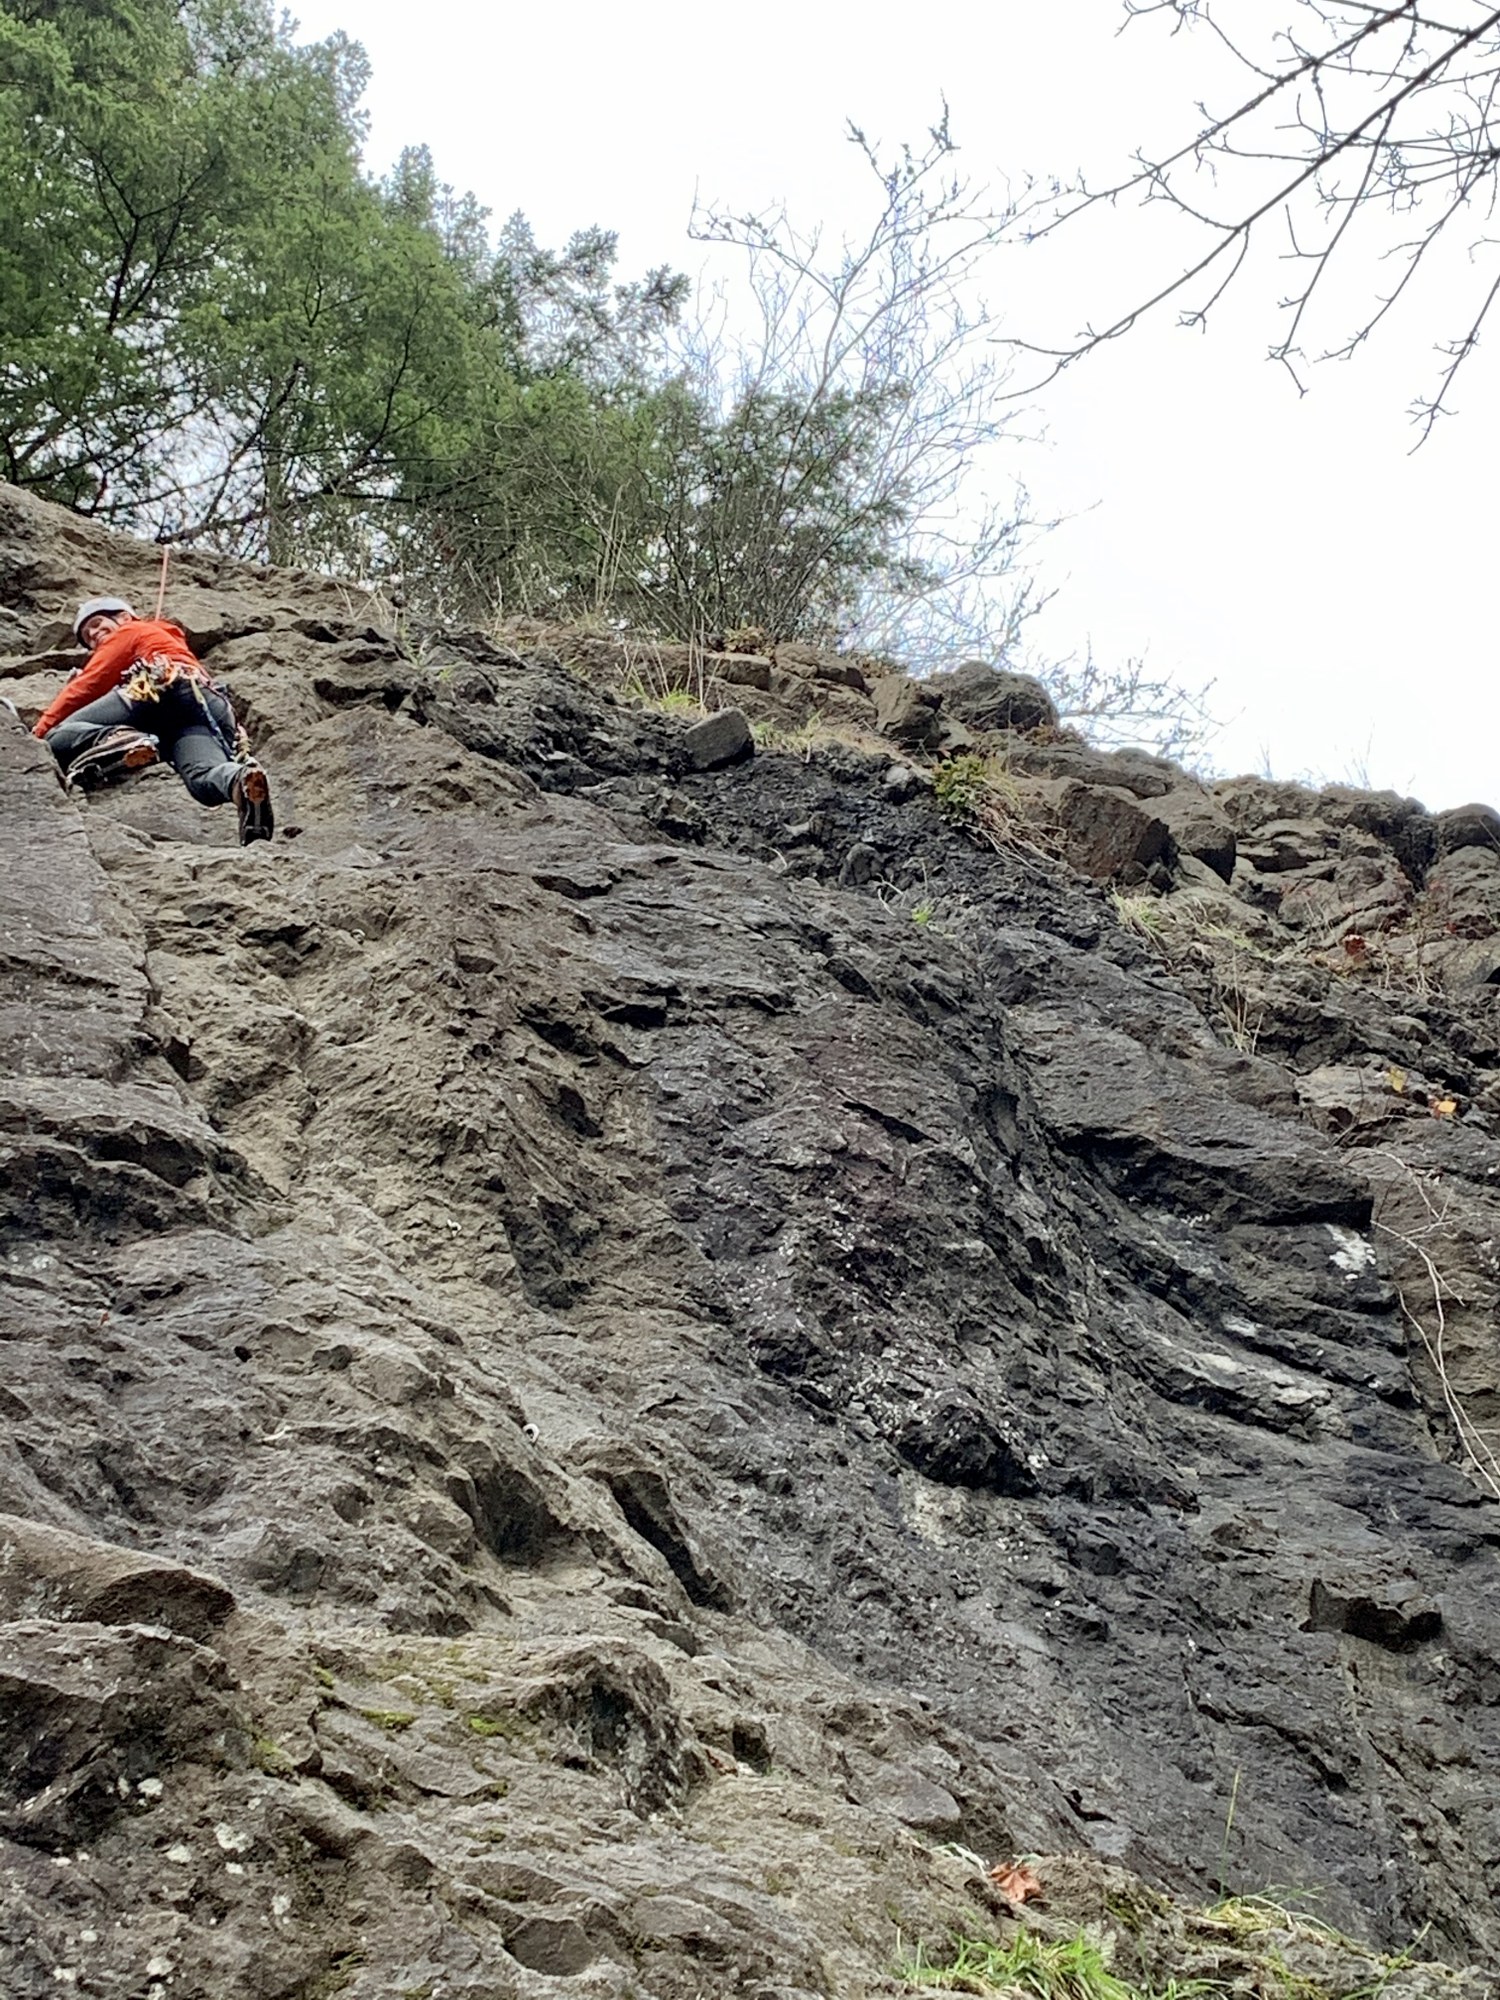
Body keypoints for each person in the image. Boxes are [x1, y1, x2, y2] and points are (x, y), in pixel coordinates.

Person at [32, 596, 273, 843]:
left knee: (60, 735)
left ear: (124, 617)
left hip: (157, 689)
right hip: (202, 706)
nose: (93, 634)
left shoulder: (130, 630)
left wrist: (34, 737)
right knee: (203, 778)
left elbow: (85, 687)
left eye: (96, 623)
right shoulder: (165, 640)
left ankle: (120, 740)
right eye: (86, 634)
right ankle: (242, 781)